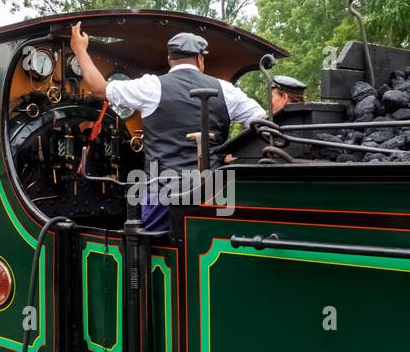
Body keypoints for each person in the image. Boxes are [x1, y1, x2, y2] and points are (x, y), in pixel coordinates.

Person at [70, 23, 265, 229]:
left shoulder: (151, 86)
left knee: (154, 248)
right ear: (200, 59)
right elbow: (263, 123)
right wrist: (235, 155)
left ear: (170, 60)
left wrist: (80, 50)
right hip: (214, 191)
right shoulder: (226, 90)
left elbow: (100, 89)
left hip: (163, 193)